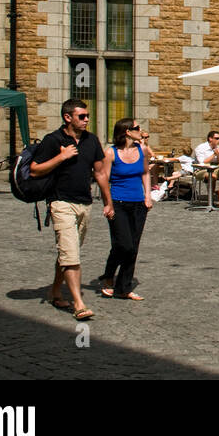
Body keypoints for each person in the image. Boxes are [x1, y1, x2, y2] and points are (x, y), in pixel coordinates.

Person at [31, 98, 109, 321]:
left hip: (84, 203)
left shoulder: (91, 140)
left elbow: (100, 173)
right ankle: (79, 303)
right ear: (68, 117)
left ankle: (55, 291)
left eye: (87, 116)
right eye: (82, 116)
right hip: (60, 202)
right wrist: (61, 156)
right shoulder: (53, 140)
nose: (87, 120)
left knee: (68, 251)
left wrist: (108, 201)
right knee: (71, 254)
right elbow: (35, 170)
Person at [100, 118, 152, 300]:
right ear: (127, 132)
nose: (141, 131)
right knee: (123, 244)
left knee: (133, 246)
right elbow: (103, 179)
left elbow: (145, 173)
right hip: (118, 202)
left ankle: (124, 287)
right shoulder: (111, 153)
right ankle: (108, 276)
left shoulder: (142, 150)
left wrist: (147, 196)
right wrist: (107, 203)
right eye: (137, 128)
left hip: (138, 203)